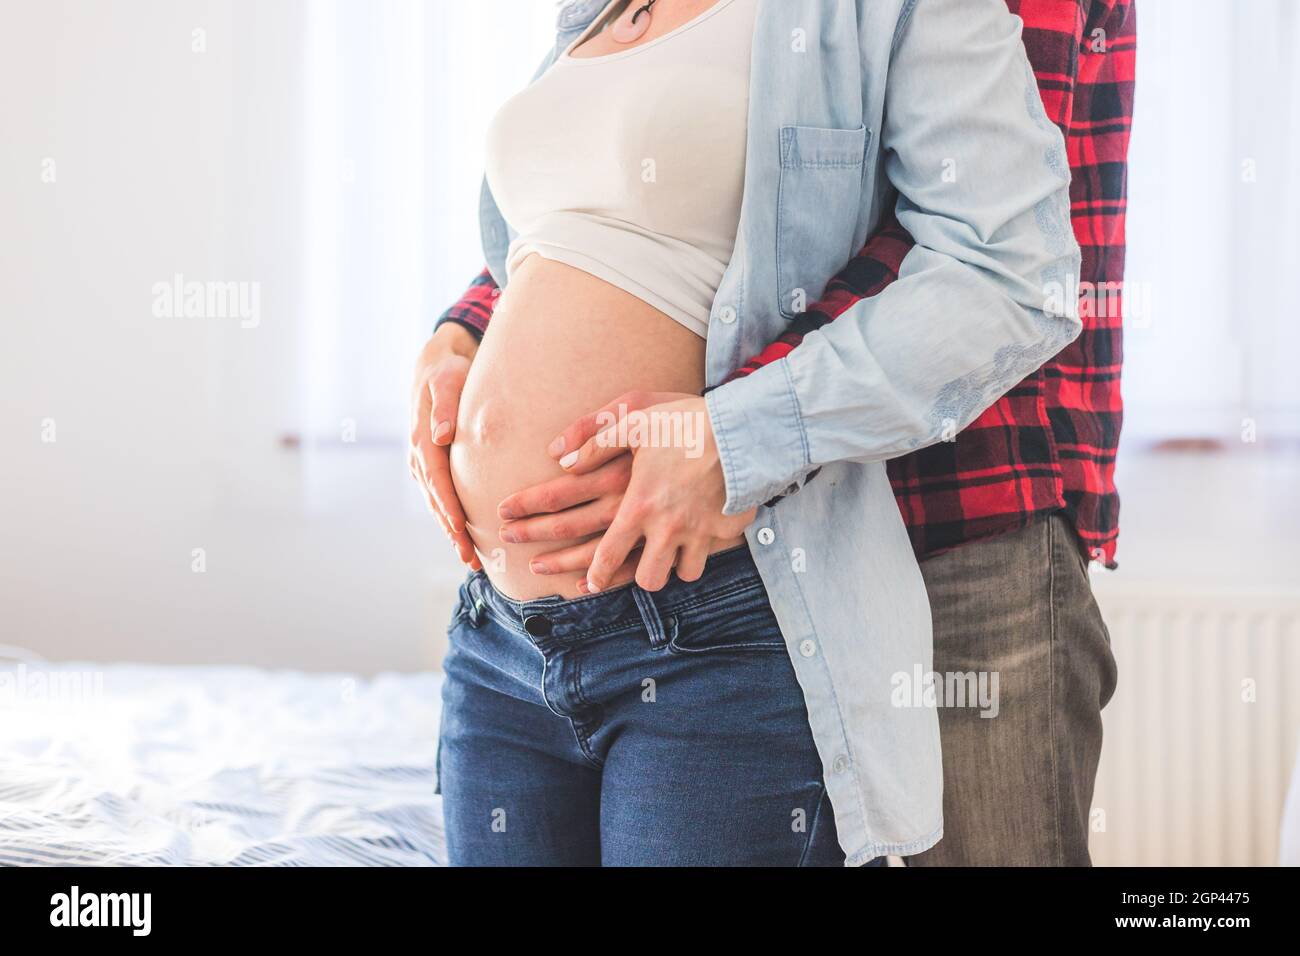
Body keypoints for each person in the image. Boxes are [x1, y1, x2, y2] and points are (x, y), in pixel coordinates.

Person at [414, 0, 1087, 866]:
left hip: (709, 624)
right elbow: (560, 245)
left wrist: (735, 442)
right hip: (497, 640)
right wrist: (455, 339)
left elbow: (1011, 274)